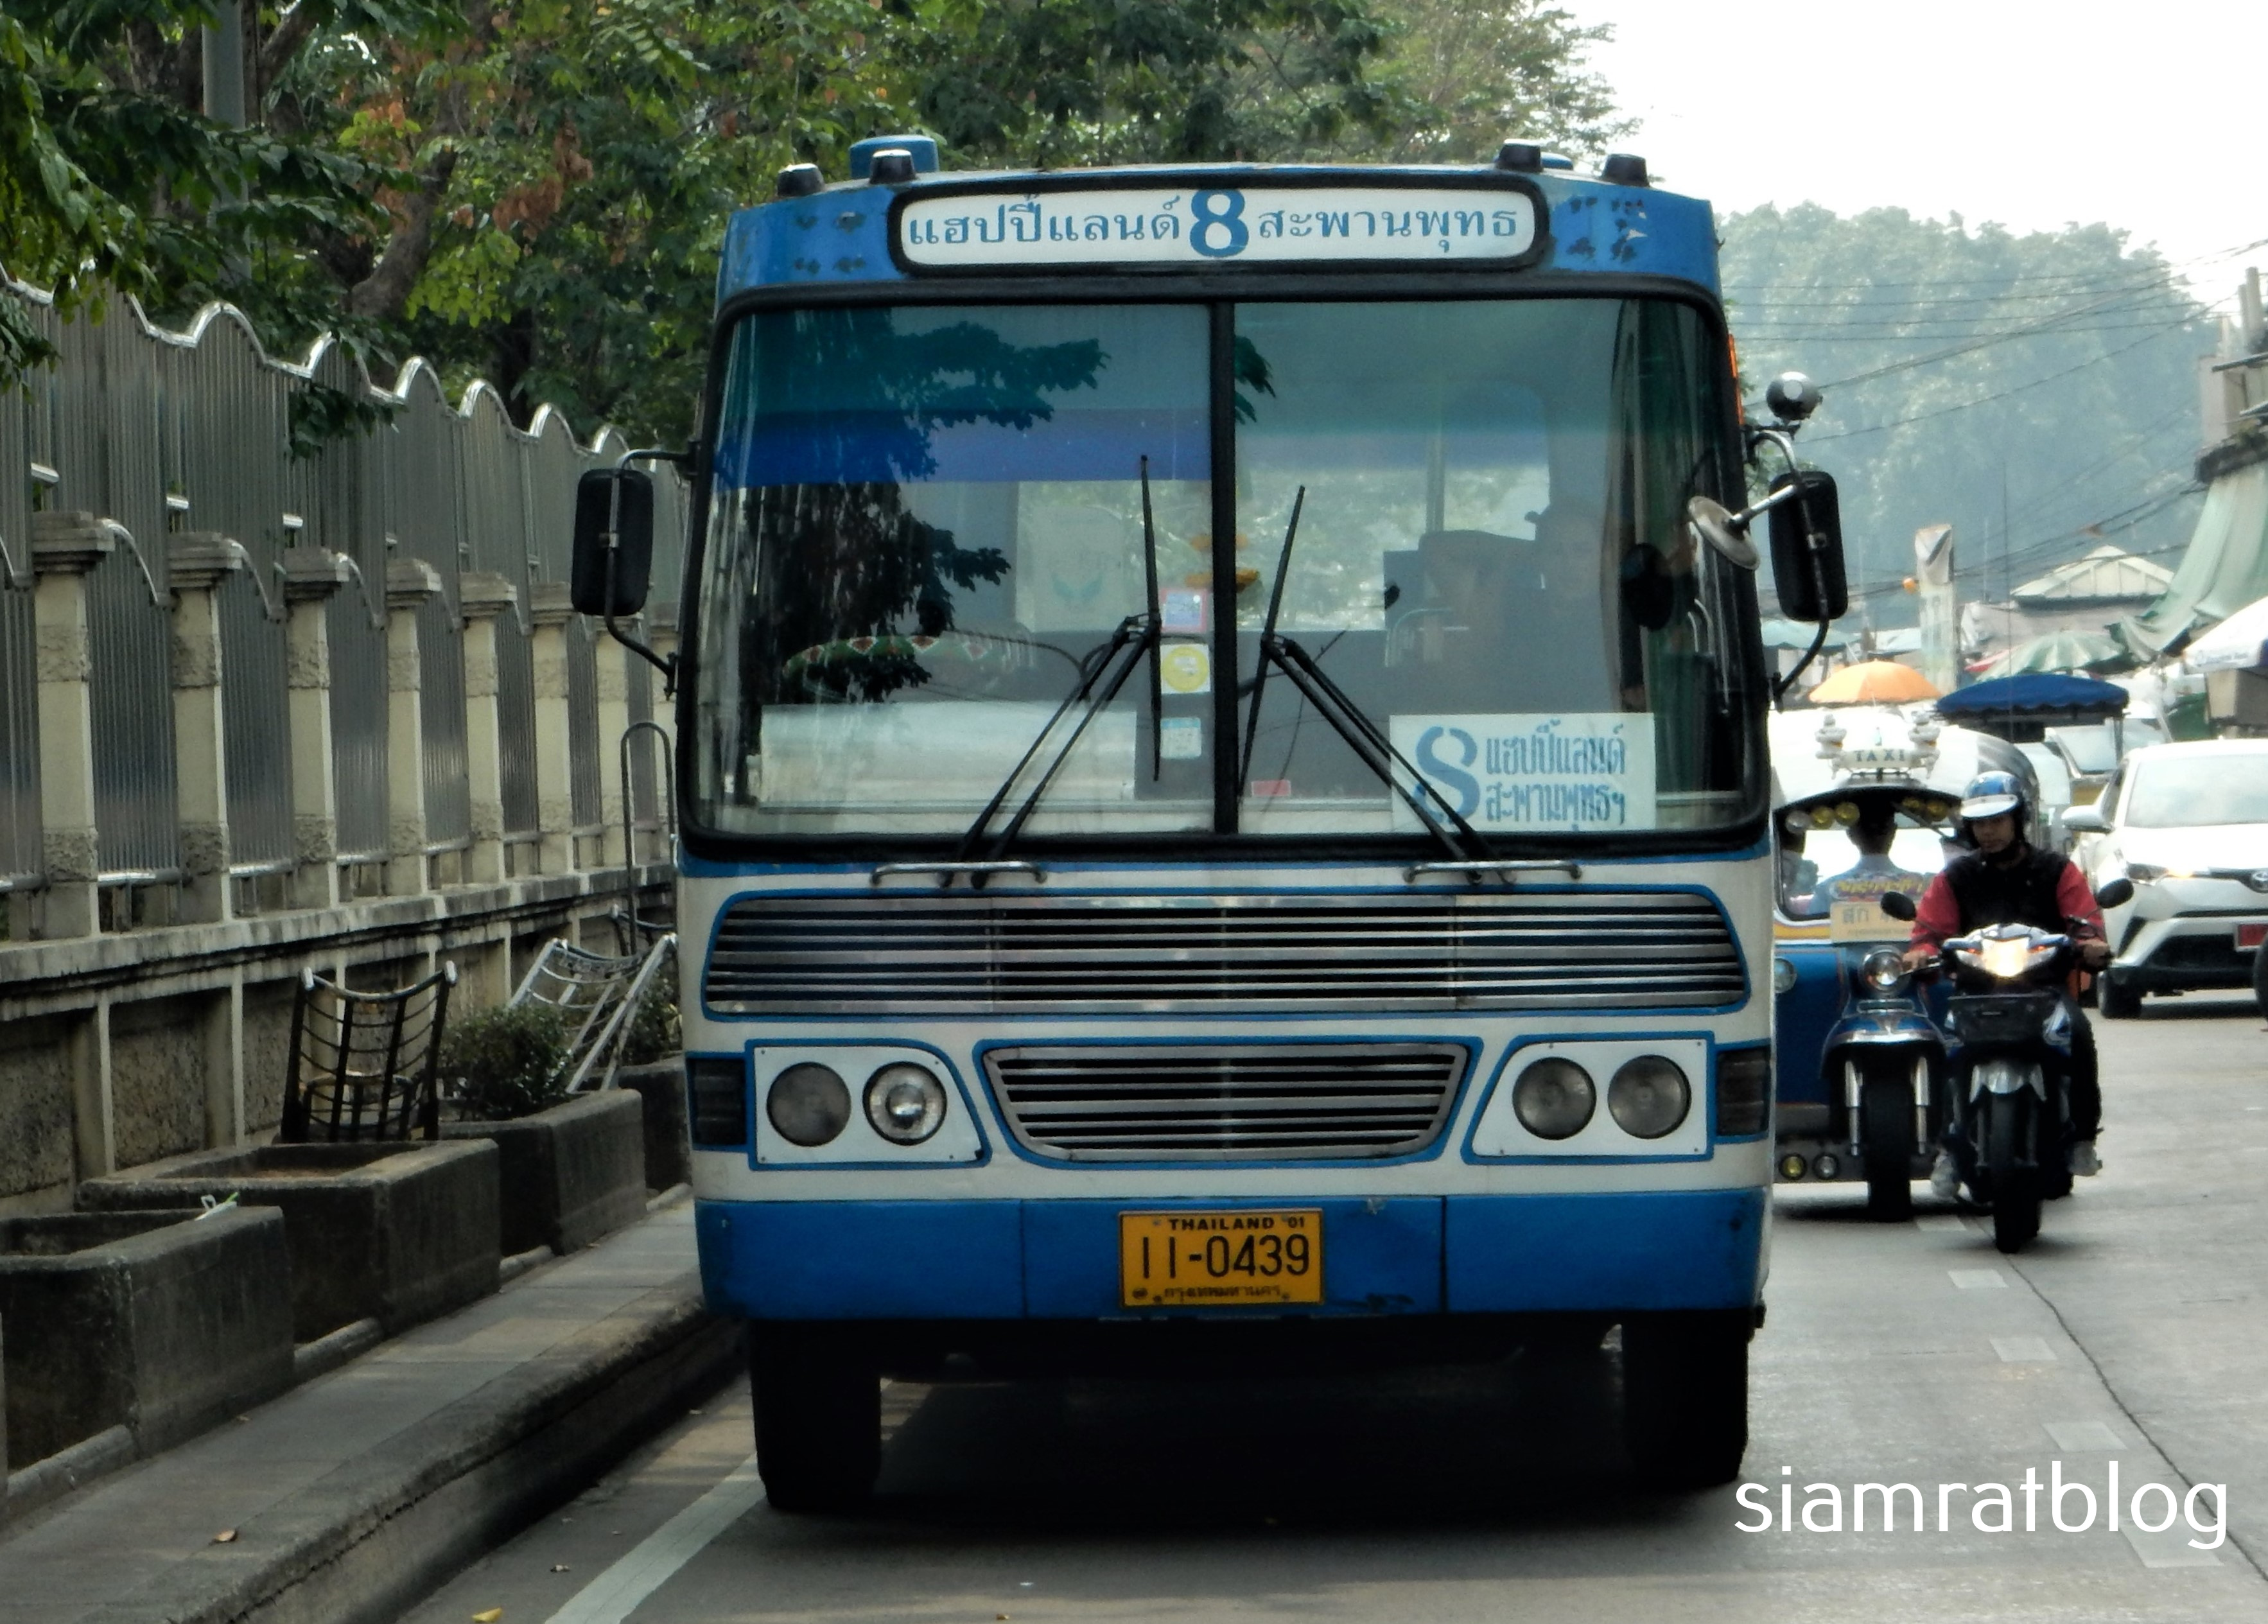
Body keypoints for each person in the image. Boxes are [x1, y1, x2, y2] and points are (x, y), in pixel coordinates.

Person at [1899, 771, 2112, 1188]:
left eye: (1997, 820)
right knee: (1941, 1052)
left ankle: (2083, 1139)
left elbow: (2086, 923)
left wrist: (2091, 944)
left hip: (2044, 992)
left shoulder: (2056, 870)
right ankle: (1946, 1148)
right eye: (1980, 823)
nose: (1989, 831)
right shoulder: (1956, 877)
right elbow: (1928, 933)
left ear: (2019, 820)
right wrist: (1917, 955)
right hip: (1975, 994)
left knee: (2081, 1034)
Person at [1808, 803, 1927, 918]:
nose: (1876, 831)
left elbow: (1810, 932)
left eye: (1880, 826)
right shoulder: (1927, 886)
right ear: (1893, 831)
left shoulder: (1827, 890)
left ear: (1851, 835)